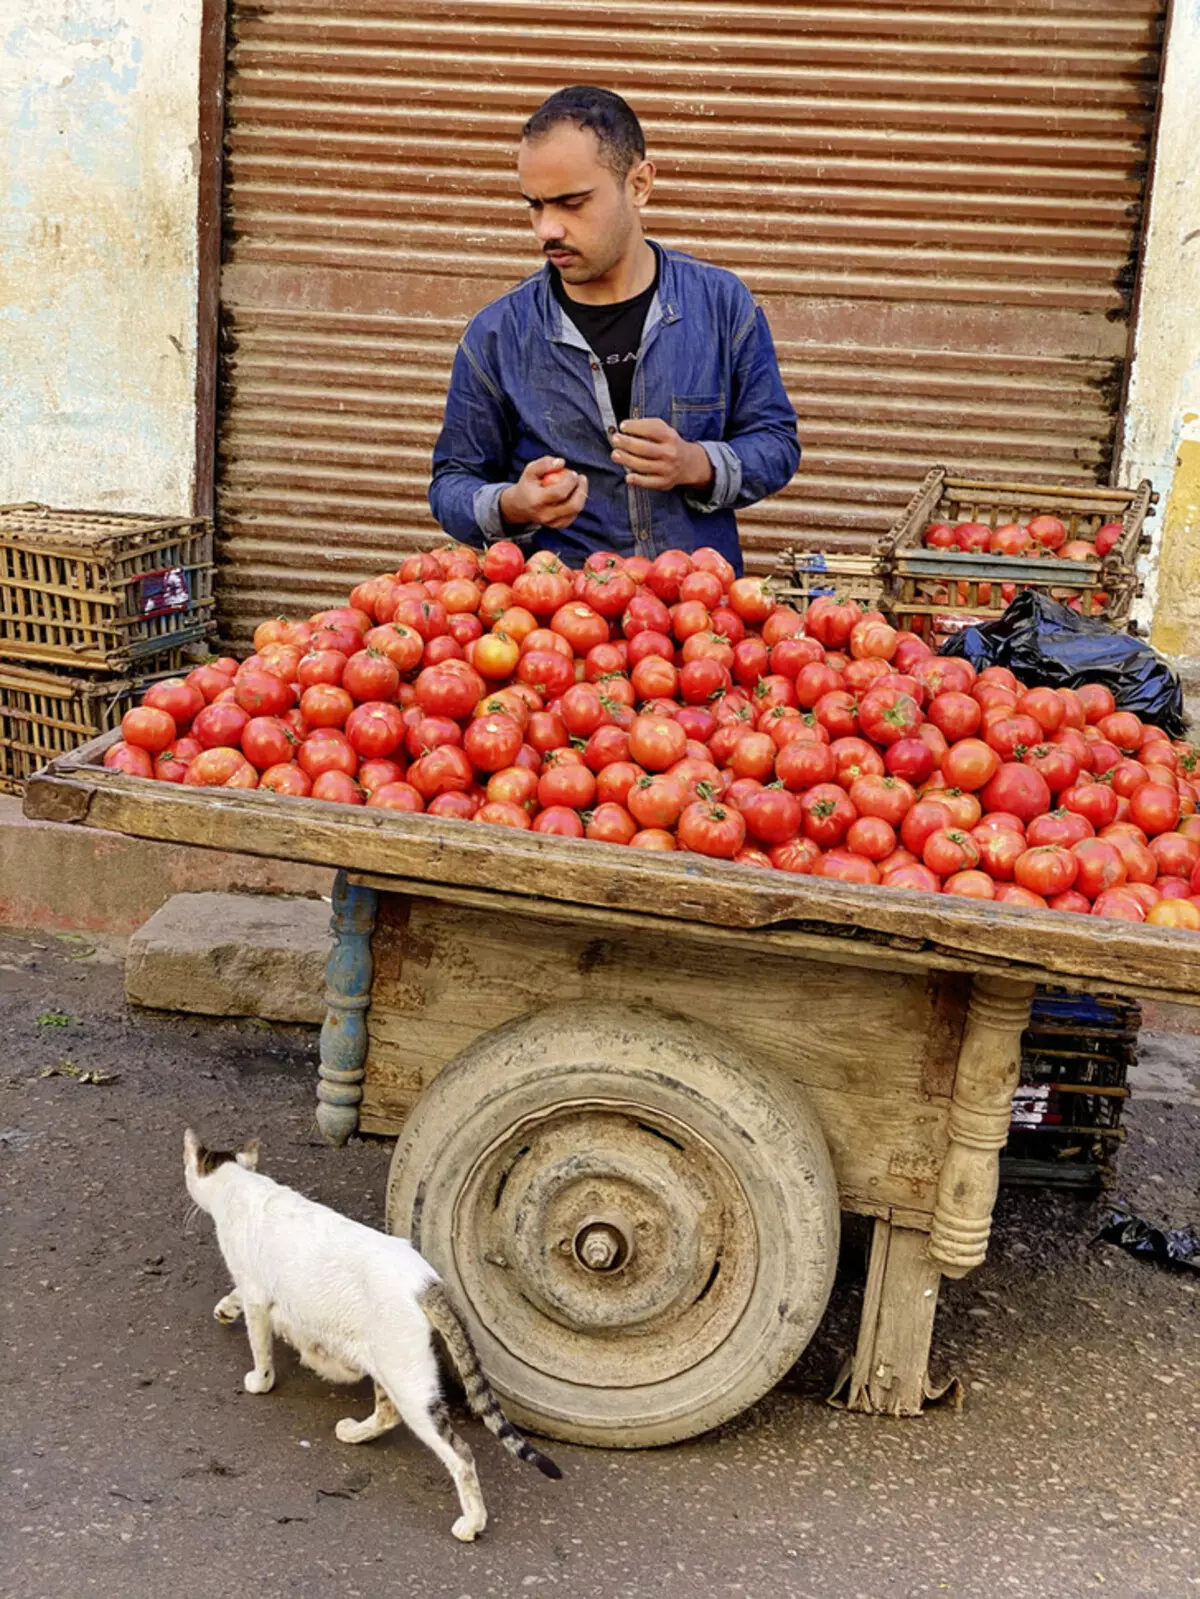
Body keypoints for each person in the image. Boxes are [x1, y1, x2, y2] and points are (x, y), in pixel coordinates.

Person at [428, 85, 800, 574]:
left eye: (572, 203)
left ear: (639, 184)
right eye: (536, 206)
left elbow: (776, 441)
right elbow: (452, 482)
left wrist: (697, 465)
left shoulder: (721, 305)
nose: (547, 230)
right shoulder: (497, 335)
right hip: (562, 628)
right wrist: (512, 505)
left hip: (700, 618)